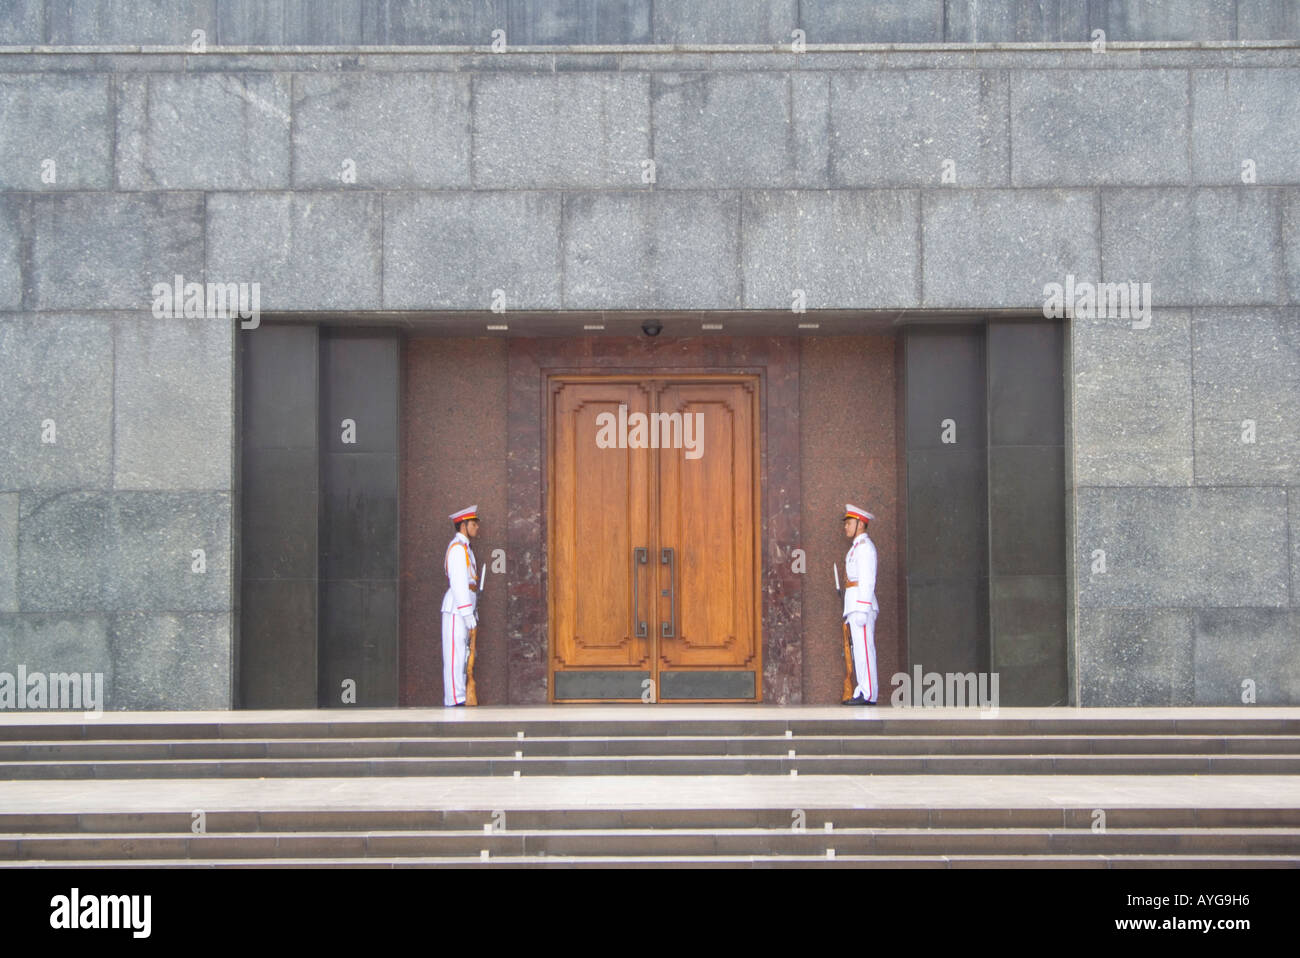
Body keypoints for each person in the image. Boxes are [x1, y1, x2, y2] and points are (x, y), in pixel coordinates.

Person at [441, 505, 480, 707]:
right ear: (463, 525)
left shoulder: (466, 549)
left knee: (463, 655)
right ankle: (455, 698)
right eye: (474, 524)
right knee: (455, 655)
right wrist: (467, 613)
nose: (477, 528)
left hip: (465, 607)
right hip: (457, 608)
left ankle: (459, 695)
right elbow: (458, 584)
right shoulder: (457, 549)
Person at [842, 504, 878, 706]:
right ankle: (862, 689)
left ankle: (869, 693)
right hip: (854, 605)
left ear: (861, 525)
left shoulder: (865, 549)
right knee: (859, 652)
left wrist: (863, 607)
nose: (846, 527)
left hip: (861, 605)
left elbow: (868, 580)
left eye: (849, 523)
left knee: (865, 650)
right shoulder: (856, 548)